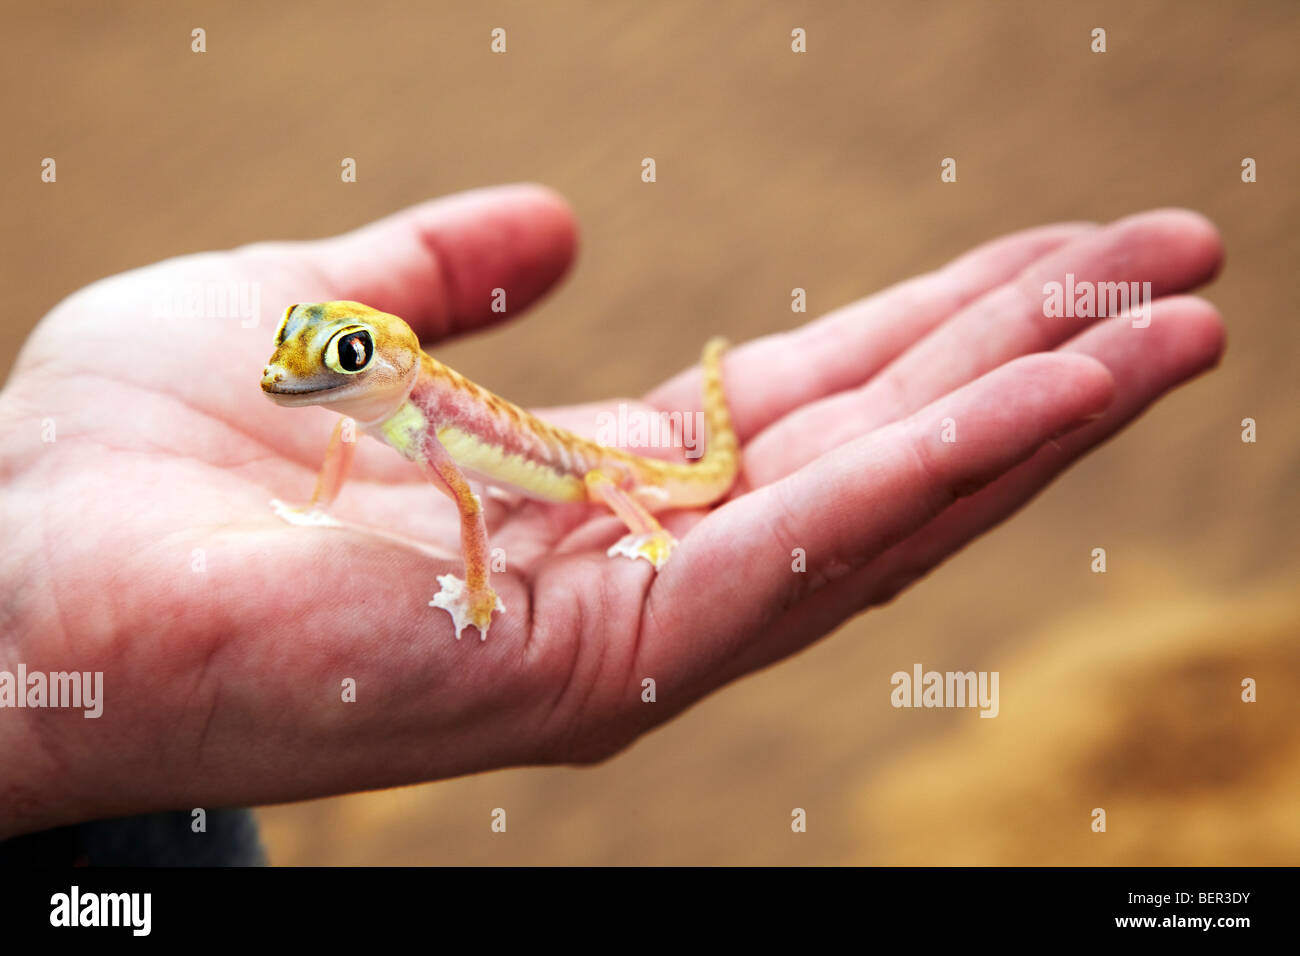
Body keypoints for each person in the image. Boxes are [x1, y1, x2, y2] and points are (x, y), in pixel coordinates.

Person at [0, 185, 1225, 861]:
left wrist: (506, 580)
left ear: (394, 362)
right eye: (310, 356)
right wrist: (310, 502)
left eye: (343, 357)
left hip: (591, 475)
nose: (318, 381)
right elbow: (332, 434)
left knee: (623, 494)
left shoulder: (434, 429)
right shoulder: (376, 418)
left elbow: (478, 506)